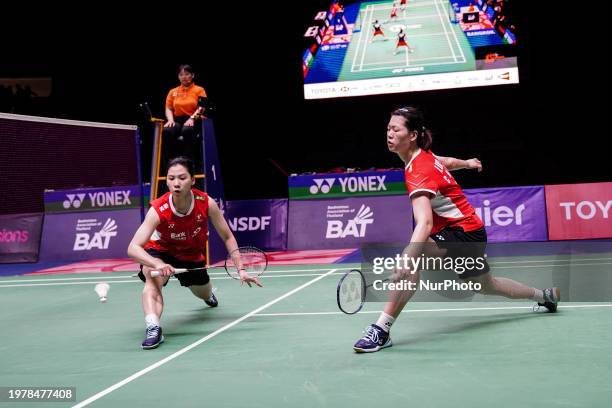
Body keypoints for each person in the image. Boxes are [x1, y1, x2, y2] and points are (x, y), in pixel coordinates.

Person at [353, 106, 560, 353]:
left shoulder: (418, 170)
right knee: (488, 285)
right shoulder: (423, 158)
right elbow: (447, 162)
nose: (389, 134)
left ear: (412, 135)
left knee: (415, 258)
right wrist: (468, 163)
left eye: (396, 129)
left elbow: (425, 223)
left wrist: (408, 256)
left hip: (463, 233)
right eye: (388, 128)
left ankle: (381, 329)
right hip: (471, 232)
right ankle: (544, 295)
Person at [128, 156, 262, 350]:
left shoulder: (205, 203)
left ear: (192, 180)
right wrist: (157, 264)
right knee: (151, 276)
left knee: (203, 291)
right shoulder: (159, 209)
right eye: (171, 178)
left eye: (182, 178)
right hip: (161, 251)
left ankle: (208, 295)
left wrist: (240, 269)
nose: (176, 183)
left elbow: (227, 236)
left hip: (192, 256)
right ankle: (153, 327)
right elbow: (133, 247)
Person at [163, 64, 207, 172]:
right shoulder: (172, 91)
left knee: (187, 130)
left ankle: (189, 164)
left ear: (192, 75)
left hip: (195, 119)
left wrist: (192, 118)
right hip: (178, 119)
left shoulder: (199, 89)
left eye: (187, 74)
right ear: (178, 76)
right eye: (181, 74)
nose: (184, 77)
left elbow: (202, 107)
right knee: (167, 131)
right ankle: (171, 163)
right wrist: (170, 120)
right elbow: (168, 108)